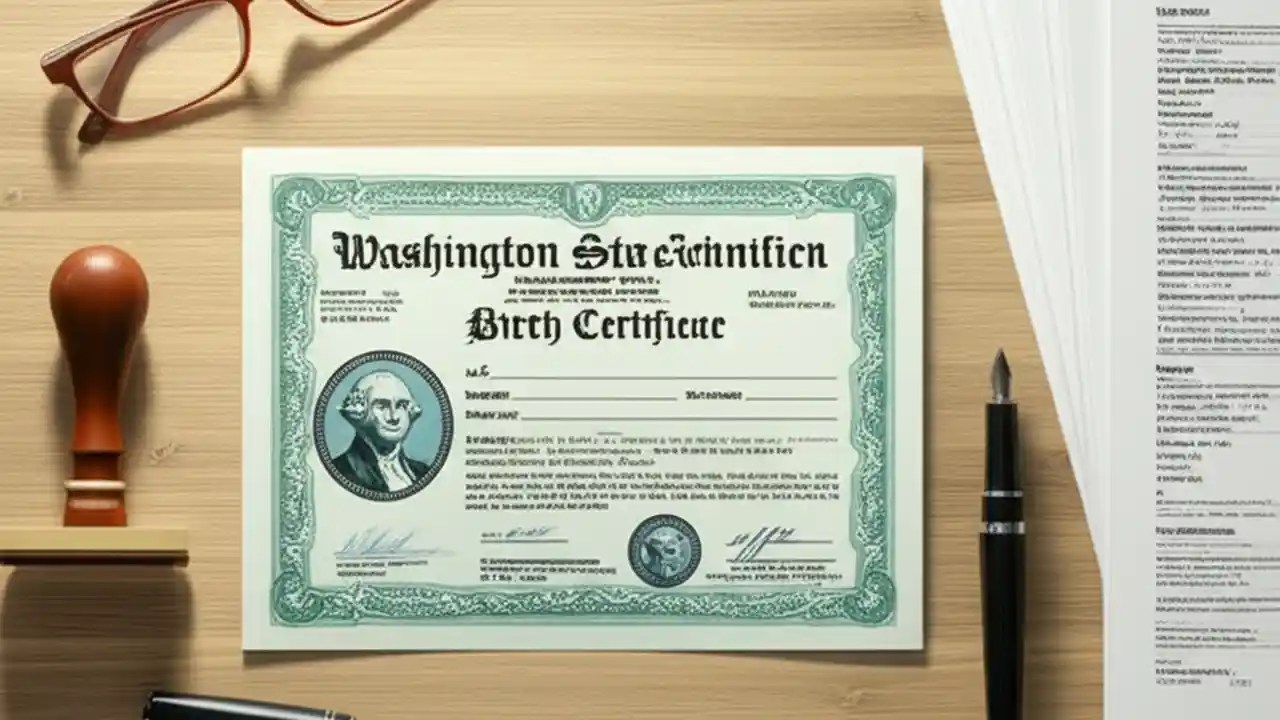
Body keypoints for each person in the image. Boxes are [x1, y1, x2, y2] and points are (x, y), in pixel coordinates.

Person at [331, 369, 432, 494]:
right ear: (359, 412)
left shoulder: (423, 472)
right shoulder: (341, 471)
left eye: (401, 405)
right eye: (382, 406)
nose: (393, 417)